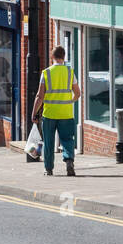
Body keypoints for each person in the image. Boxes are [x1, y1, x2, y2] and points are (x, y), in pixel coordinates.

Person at [31, 45, 81, 177]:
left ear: (52, 57)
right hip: (66, 113)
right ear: (64, 57)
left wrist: (34, 112)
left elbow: (39, 96)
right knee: (67, 140)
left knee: (48, 142)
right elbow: (77, 93)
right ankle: (69, 161)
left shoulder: (46, 73)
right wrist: (70, 101)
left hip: (49, 114)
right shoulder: (70, 71)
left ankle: (48, 169)